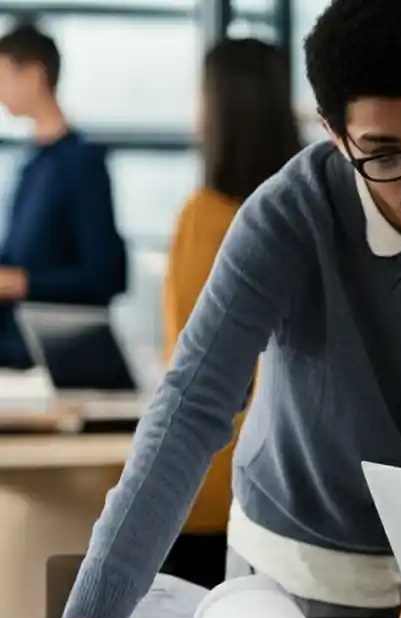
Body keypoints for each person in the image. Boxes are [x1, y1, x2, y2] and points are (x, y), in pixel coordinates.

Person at [0, 0, 401, 618]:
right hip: (292, 574)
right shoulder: (285, 215)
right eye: (384, 154)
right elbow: (189, 408)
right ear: (336, 136)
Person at [157, 38, 303, 590]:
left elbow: (193, 367)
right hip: (292, 486)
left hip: (208, 482)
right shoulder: (308, 214)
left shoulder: (207, 217)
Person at [0, 23, 126, 369]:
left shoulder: (81, 163)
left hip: (46, 351)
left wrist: (21, 283)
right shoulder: (31, 164)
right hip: (13, 341)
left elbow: (105, 275)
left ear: (35, 75)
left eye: (4, 75)